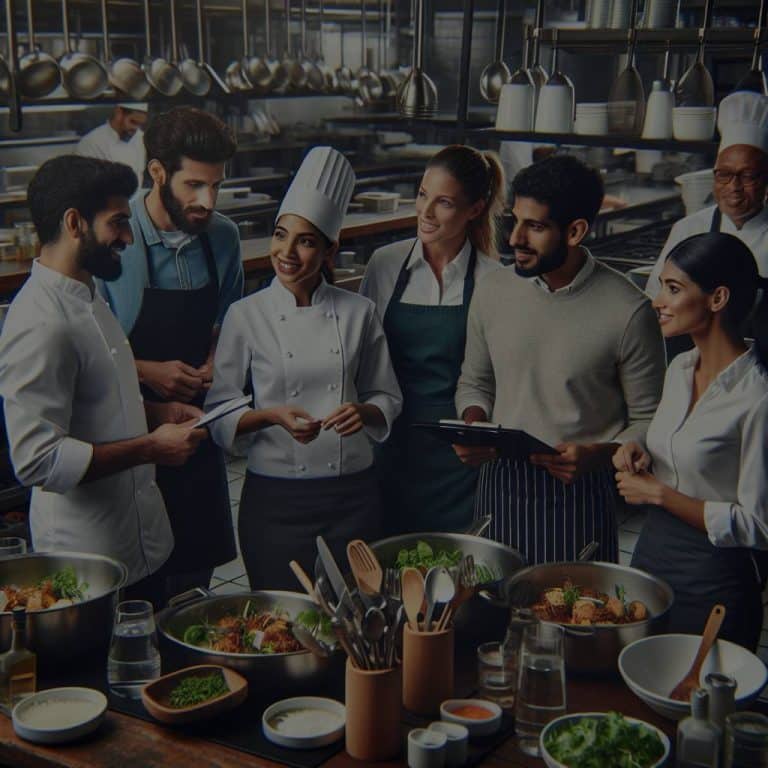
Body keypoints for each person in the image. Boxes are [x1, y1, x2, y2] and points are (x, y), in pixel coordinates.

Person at [0, 156, 205, 600]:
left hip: (139, 541)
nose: (129, 238)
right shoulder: (40, 321)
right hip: (88, 560)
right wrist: (152, 446)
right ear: (74, 223)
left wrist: (156, 412)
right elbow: (37, 460)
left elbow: (98, 401)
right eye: (117, 223)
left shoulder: (88, 294)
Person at [205, 146, 402, 590]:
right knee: (281, 627)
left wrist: (364, 412)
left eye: (306, 240)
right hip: (275, 501)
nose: (287, 252)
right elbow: (218, 411)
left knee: (355, 625)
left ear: (331, 249)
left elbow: (387, 397)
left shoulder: (360, 312)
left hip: (354, 496)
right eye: (280, 235)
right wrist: (271, 416)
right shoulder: (246, 314)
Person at [454, 155, 666, 565]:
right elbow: (475, 381)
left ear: (575, 231)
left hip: (580, 492)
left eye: (534, 226)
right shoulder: (492, 292)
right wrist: (473, 423)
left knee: (577, 621)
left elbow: (651, 420)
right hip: (499, 485)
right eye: (514, 220)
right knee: (490, 612)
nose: (514, 238)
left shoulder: (629, 311)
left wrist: (598, 455)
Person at [98, 107, 242, 600]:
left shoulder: (224, 239)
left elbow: (229, 322)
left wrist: (218, 359)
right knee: (137, 593)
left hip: (196, 436)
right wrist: (145, 370)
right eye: (194, 185)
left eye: (216, 186)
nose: (207, 201)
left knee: (194, 597)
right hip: (129, 433)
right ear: (157, 173)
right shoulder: (115, 238)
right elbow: (87, 348)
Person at [614, 232, 768, 651]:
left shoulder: (758, 396)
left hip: (715, 579)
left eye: (673, 288)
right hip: (651, 557)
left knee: (699, 706)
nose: (657, 301)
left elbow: (758, 526)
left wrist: (659, 494)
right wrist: (641, 453)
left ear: (717, 298)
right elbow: (681, 457)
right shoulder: (680, 367)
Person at [359, 145, 505, 535]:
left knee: (459, 572)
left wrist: (477, 427)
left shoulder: (495, 280)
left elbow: (495, 374)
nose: (424, 212)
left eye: (443, 202)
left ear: (474, 209)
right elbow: (363, 356)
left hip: (461, 454)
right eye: (423, 194)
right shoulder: (384, 264)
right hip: (393, 441)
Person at [646, 91, 768, 300]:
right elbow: (656, 299)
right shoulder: (688, 229)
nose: (734, 186)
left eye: (747, 176)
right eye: (724, 175)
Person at [76, 103, 149, 185]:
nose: (135, 129)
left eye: (140, 124)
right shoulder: (91, 143)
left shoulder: (141, 138)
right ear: (119, 113)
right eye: (133, 122)